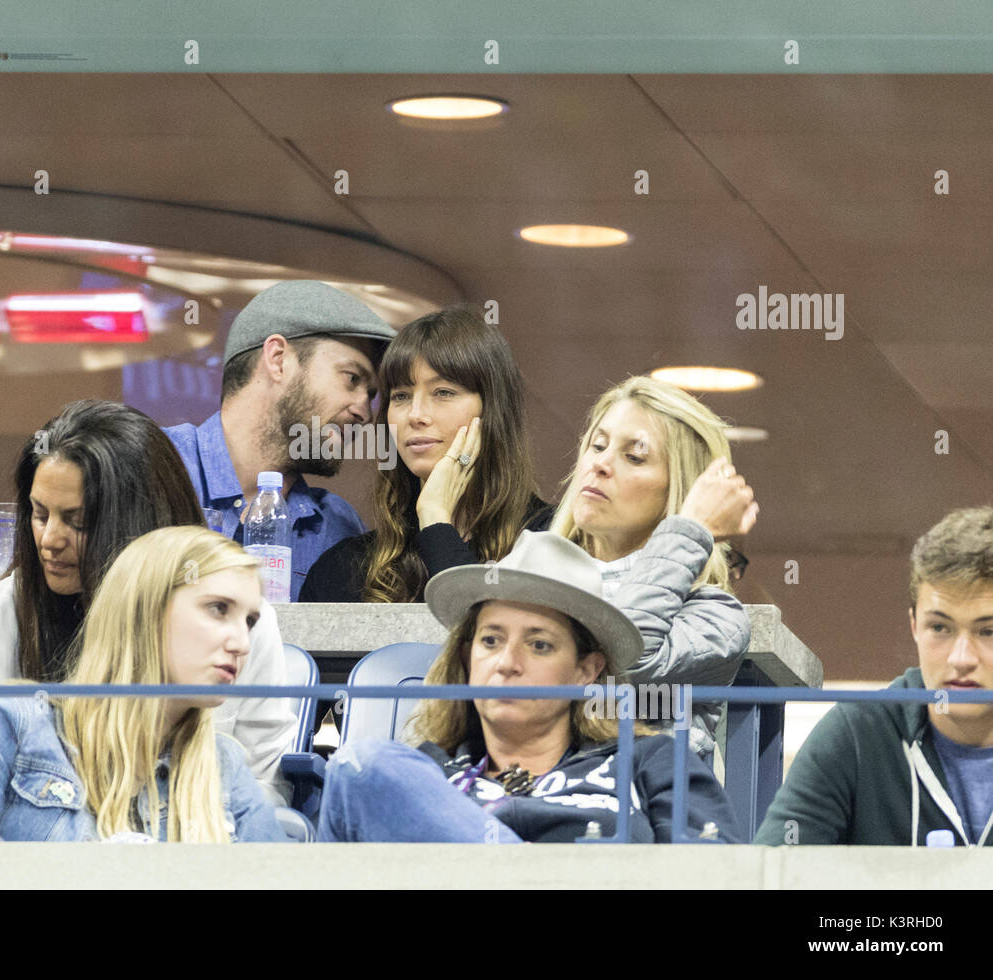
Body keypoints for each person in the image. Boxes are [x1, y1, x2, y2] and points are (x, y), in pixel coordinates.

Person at [0, 401, 297, 804]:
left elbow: (264, 793)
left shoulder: (240, 620)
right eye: (40, 514)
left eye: (77, 521)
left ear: (142, 523)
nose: (50, 540)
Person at [316, 530, 739, 843]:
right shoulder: (426, 774)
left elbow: (716, 877)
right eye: (490, 640)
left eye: (539, 644)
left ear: (586, 671)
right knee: (362, 764)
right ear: (467, 657)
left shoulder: (653, 761)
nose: (507, 663)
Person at [0, 527, 288, 842]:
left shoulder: (225, 767)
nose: (242, 643)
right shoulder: (2, 725)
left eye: (250, 621)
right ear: (146, 612)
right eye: (218, 609)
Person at [545, 376, 760, 757]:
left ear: (678, 491)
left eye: (634, 456)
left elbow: (622, 659)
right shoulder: (526, 579)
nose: (600, 464)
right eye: (597, 445)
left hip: (631, 810)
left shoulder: (714, 617)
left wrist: (691, 529)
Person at [756, 506, 993, 847]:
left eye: (987, 631)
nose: (961, 659)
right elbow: (771, 874)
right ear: (914, 625)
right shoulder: (854, 735)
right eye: (939, 627)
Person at [300, 305, 551, 603]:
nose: (415, 415)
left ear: (494, 410)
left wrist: (435, 519)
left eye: (443, 392)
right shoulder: (344, 569)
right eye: (401, 396)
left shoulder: (553, 541)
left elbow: (482, 639)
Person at [164, 280, 397, 600]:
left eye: (370, 395)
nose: (364, 412)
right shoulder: (151, 467)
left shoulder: (336, 528)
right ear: (277, 359)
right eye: (352, 378)